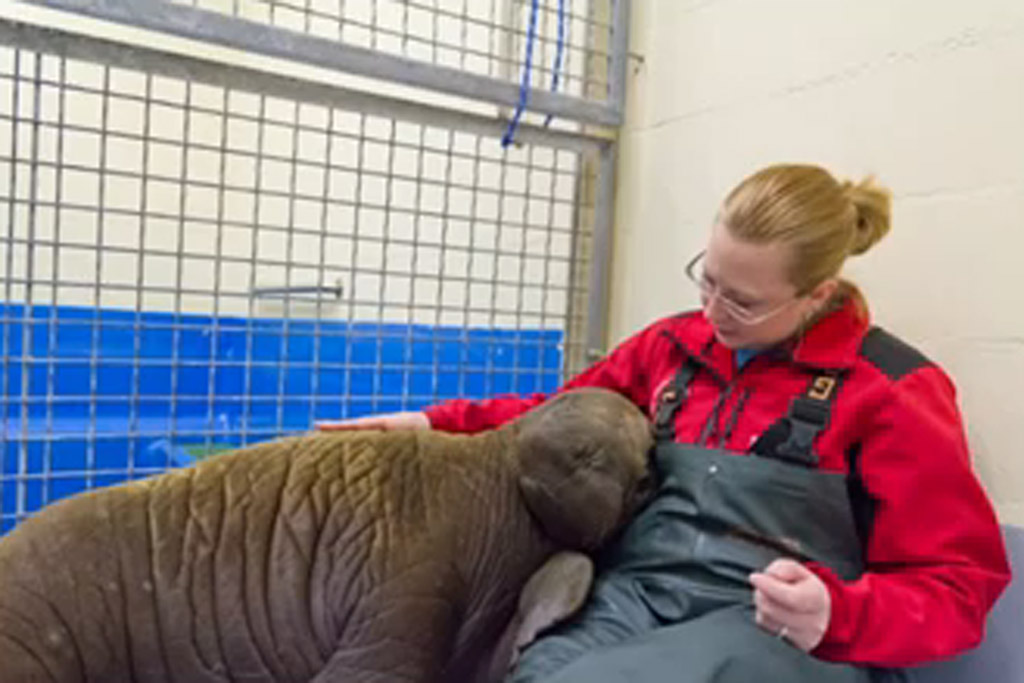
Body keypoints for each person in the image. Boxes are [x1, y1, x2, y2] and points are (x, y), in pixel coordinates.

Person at [317, 164, 1011, 682]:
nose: (712, 312)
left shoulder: (891, 390)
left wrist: (840, 613)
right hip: (641, 594)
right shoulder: (672, 347)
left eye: (741, 301)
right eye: (706, 280)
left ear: (817, 295)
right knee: (531, 672)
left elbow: (959, 586)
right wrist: (431, 423)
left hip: (788, 636)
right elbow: (555, 418)